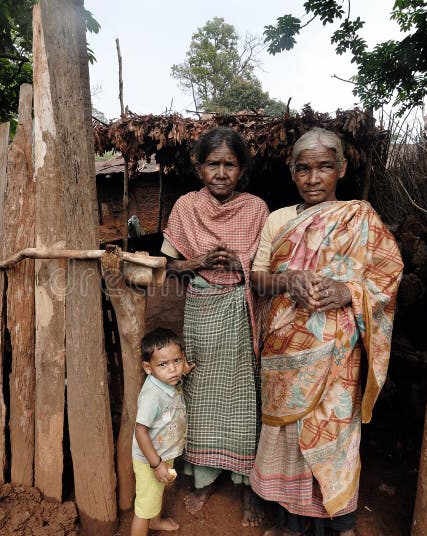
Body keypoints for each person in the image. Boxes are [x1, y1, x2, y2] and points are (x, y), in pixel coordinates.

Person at [249, 128, 403, 536]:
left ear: (342, 169)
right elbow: (257, 279)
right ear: (292, 172)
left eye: (323, 168)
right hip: (285, 349)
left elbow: (387, 276)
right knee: (286, 434)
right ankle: (290, 521)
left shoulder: (360, 217)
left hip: (339, 351)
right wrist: (288, 281)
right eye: (303, 169)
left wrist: (346, 291)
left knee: (333, 430)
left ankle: (340, 520)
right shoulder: (279, 219)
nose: (313, 178)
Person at [161, 126, 269, 526]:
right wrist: (199, 262)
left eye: (230, 164)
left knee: (244, 392)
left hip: (241, 312)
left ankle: (247, 487)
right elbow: (168, 265)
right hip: (201, 311)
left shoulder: (257, 209)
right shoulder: (187, 207)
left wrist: (238, 264)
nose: (221, 172)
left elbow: (264, 266)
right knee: (201, 390)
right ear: (199, 166)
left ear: (241, 169)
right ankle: (204, 479)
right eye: (213, 164)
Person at [131, 327, 191, 536]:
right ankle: (148, 522)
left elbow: (176, 369)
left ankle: (155, 522)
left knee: (159, 492)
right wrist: (156, 464)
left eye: (176, 360)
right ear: (148, 368)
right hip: (150, 459)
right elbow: (140, 431)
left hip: (164, 453)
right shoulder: (152, 396)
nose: (173, 369)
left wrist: (185, 368)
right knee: (144, 508)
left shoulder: (169, 378)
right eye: (163, 364)